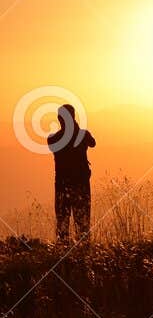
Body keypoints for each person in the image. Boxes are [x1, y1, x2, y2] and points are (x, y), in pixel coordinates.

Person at [49, 104, 95, 244]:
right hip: (81, 184)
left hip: (62, 185)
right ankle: (84, 251)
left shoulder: (54, 138)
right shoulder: (83, 135)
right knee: (83, 222)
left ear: (60, 119)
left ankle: (63, 252)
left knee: (62, 221)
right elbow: (92, 143)